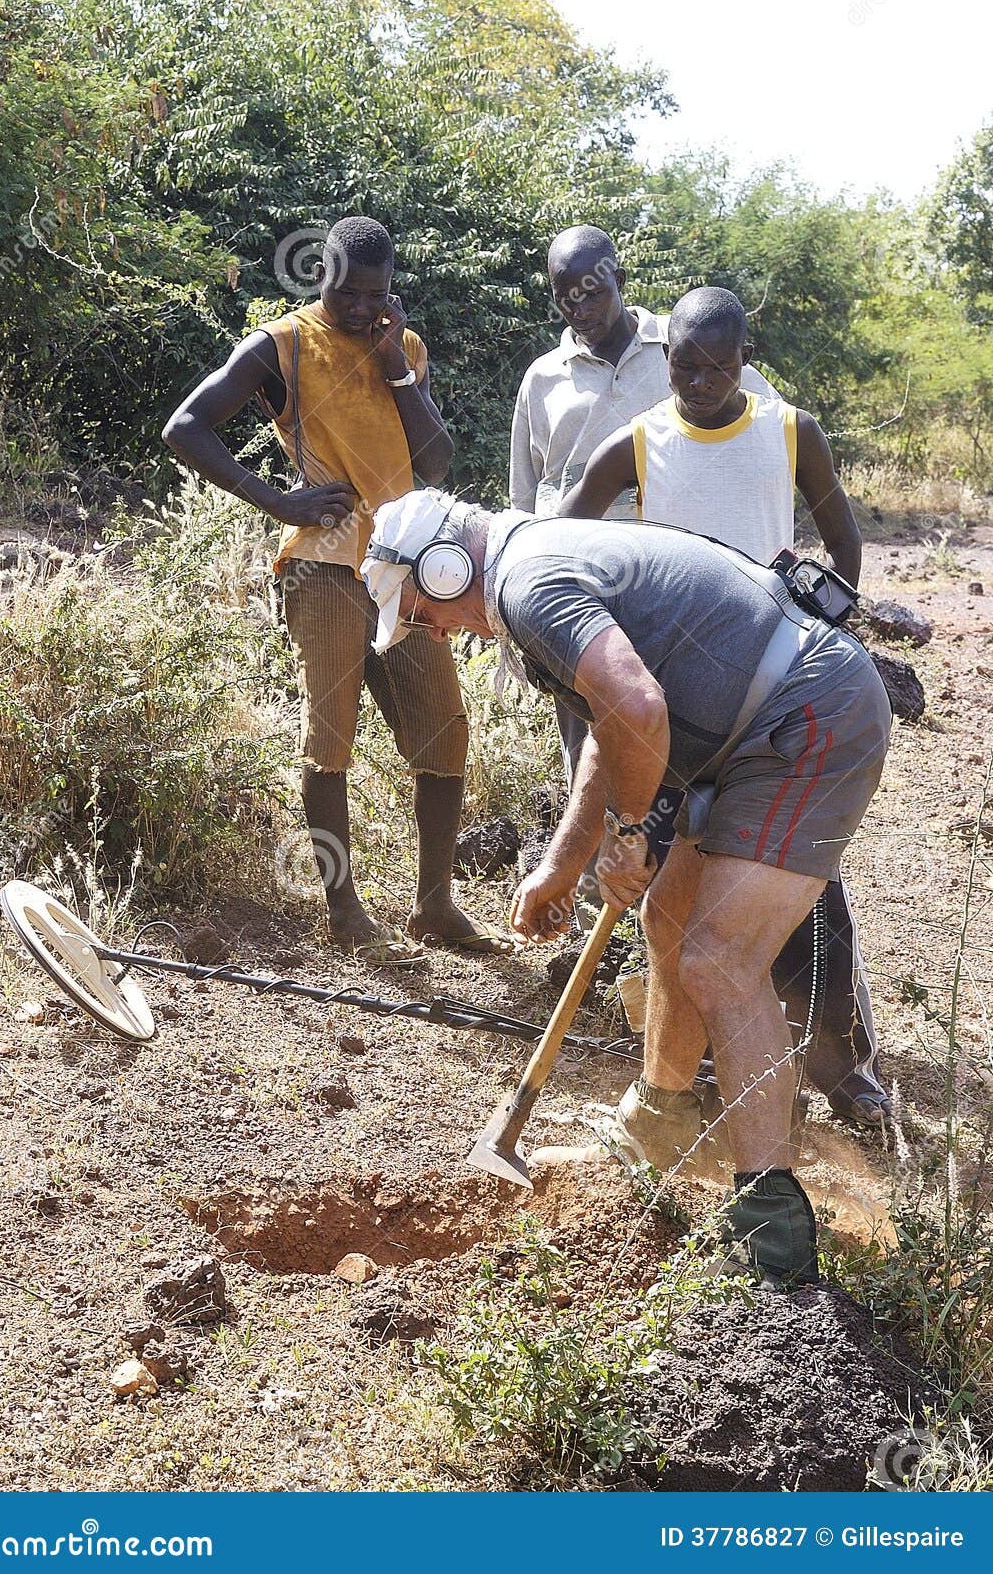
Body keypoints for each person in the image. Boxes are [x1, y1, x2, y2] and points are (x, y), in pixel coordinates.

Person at [358, 487, 893, 1285]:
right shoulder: (527, 570)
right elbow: (617, 721)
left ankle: (773, 1236)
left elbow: (639, 707)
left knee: (719, 960)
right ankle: (661, 1126)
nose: (430, 630)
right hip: (751, 729)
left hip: (809, 718)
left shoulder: (527, 584)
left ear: (440, 568)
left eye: (420, 612)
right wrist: (565, 863)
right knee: (668, 921)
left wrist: (636, 832)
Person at [511, 228, 889, 1127]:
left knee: (806, 896)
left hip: (776, 691)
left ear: (744, 362)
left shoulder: (789, 430)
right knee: (670, 899)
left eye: (717, 369)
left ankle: (846, 1068)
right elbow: (565, 532)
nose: (699, 383)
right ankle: (687, 1078)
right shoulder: (637, 442)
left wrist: (830, 603)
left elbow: (845, 535)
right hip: (678, 707)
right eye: (683, 367)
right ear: (665, 358)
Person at [163, 215, 499, 960]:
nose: (359, 308)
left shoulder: (401, 348)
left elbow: (435, 463)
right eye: (347, 293)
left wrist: (395, 364)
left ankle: (435, 905)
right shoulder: (279, 344)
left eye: (375, 295)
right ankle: (343, 910)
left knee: (444, 730)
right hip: (324, 566)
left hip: (408, 574)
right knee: (332, 739)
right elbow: (185, 427)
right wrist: (279, 501)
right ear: (321, 275)